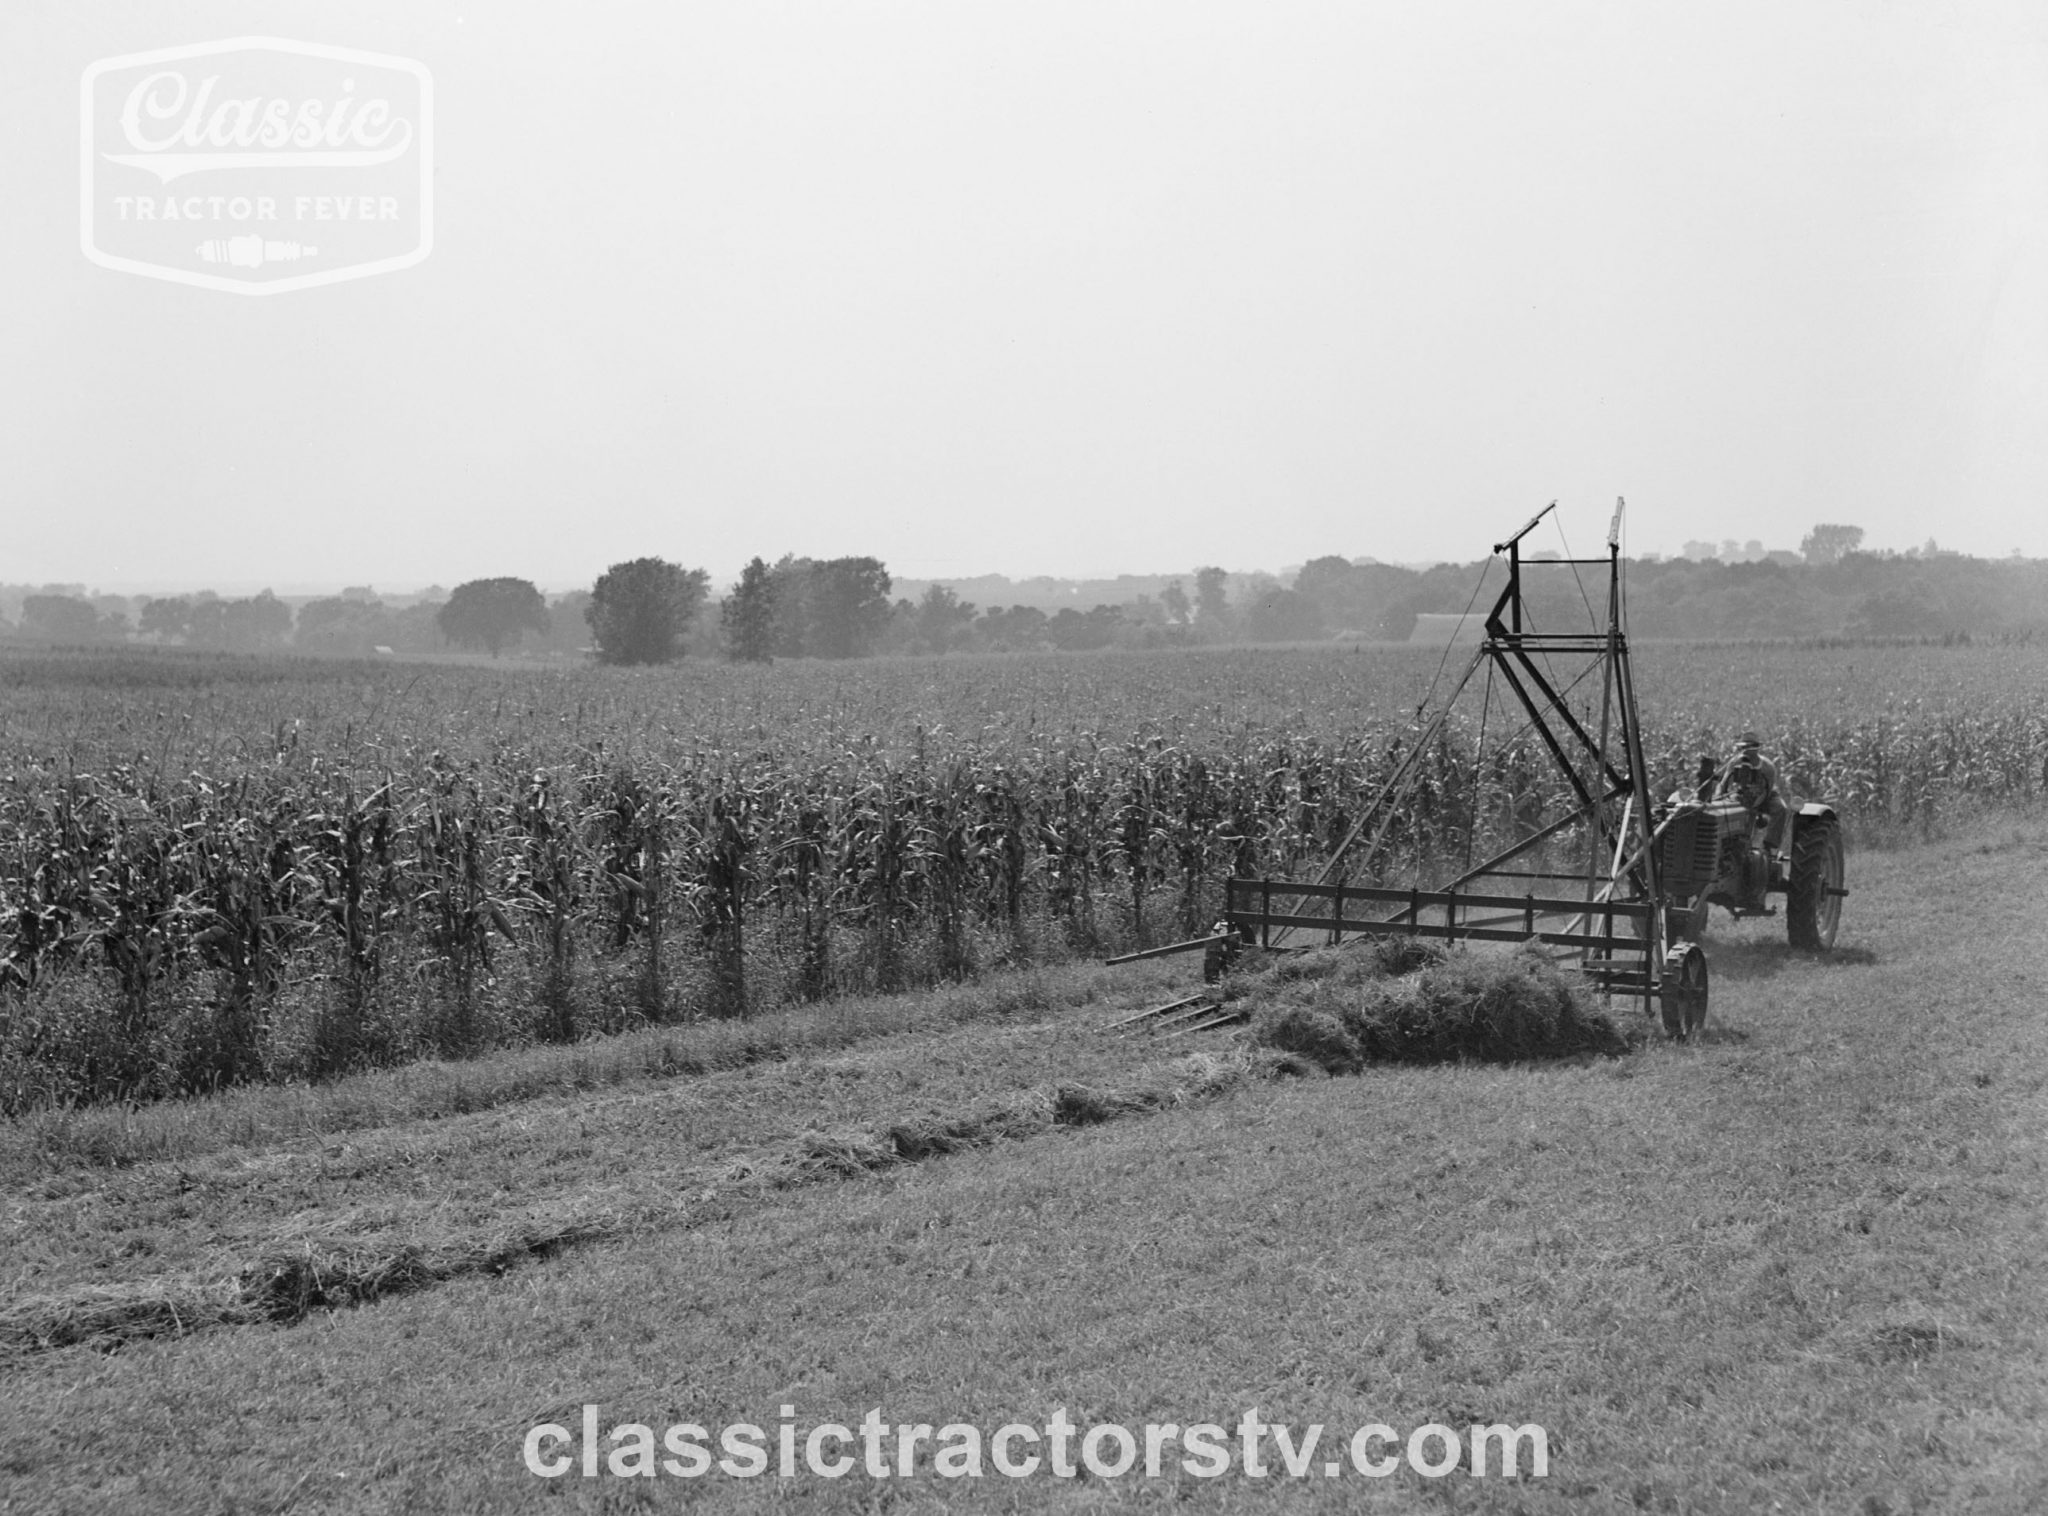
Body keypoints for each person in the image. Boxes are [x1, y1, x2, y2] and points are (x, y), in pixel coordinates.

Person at [1725, 731, 1791, 854]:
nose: (1747, 750)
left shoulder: (1767, 766)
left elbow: (1767, 789)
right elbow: (1725, 784)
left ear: (1757, 749)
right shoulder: (1735, 763)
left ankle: (1769, 844)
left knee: (1780, 808)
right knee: (1733, 810)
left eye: (1750, 747)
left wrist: (1754, 804)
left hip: (1766, 794)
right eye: (1744, 747)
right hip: (1741, 794)